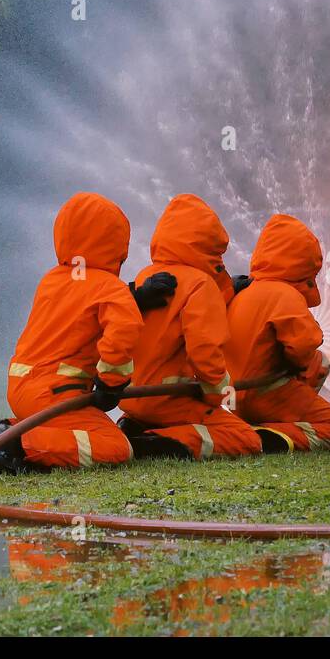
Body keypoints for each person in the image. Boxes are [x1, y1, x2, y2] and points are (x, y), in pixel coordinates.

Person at [0, 192, 175, 473]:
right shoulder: (110, 288)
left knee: (71, 428)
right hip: (55, 395)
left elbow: (80, 308)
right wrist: (110, 386)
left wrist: (135, 297)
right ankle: (18, 445)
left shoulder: (51, 280)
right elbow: (123, 331)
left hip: (20, 389)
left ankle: (6, 431)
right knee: (115, 446)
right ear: (116, 246)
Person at [117, 194, 263, 460]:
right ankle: (158, 444)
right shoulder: (201, 284)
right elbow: (205, 352)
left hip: (133, 399)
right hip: (169, 400)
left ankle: (132, 425)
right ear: (208, 245)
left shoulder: (146, 276)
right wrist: (216, 395)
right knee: (245, 438)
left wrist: (229, 290)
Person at [226, 214, 330, 452]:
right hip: (266, 394)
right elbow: (302, 348)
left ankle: (257, 425)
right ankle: (271, 435)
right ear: (304, 261)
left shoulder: (241, 294)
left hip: (231, 398)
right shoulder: (286, 295)